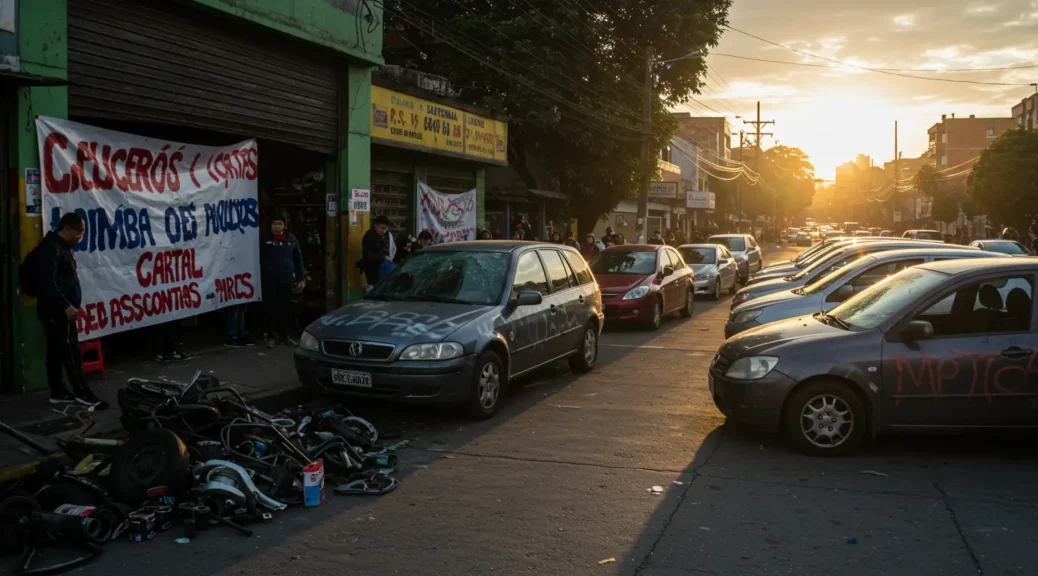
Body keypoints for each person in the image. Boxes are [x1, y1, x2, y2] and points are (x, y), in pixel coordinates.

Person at [34, 213, 107, 409]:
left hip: (56, 309)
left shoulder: (60, 247)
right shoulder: (51, 249)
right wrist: (66, 305)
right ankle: (83, 393)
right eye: (78, 235)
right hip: (57, 311)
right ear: (66, 230)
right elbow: (47, 282)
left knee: (55, 351)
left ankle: (58, 391)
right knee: (71, 352)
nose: (79, 239)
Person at [261, 213, 305, 348]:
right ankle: (271, 336)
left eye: (279, 224)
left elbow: (298, 260)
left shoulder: (291, 239)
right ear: (270, 226)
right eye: (274, 224)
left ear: (284, 226)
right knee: (270, 309)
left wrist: (301, 278)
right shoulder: (264, 239)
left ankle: (285, 336)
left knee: (286, 309)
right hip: (269, 280)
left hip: (286, 279)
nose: (277, 226)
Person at [360, 215, 392, 291]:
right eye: (382, 228)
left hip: (383, 267)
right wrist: (383, 257)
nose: (383, 231)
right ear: (375, 225)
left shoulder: (385, 236)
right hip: (372, 269)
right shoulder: (369, 236)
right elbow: (367, 255)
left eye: (385, 229)